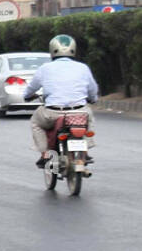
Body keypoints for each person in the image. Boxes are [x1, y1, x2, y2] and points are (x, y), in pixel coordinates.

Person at [24, 34, 99, 166]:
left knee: (36, 122)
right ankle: (85, 151)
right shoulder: (83, 68)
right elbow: (92, 90)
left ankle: (45, 154)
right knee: (89, 117)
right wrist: (93, 99)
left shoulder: (44, 68)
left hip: (53, 113)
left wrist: (27, 96)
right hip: (80, 112)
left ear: (52, 50)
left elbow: (30, 89)